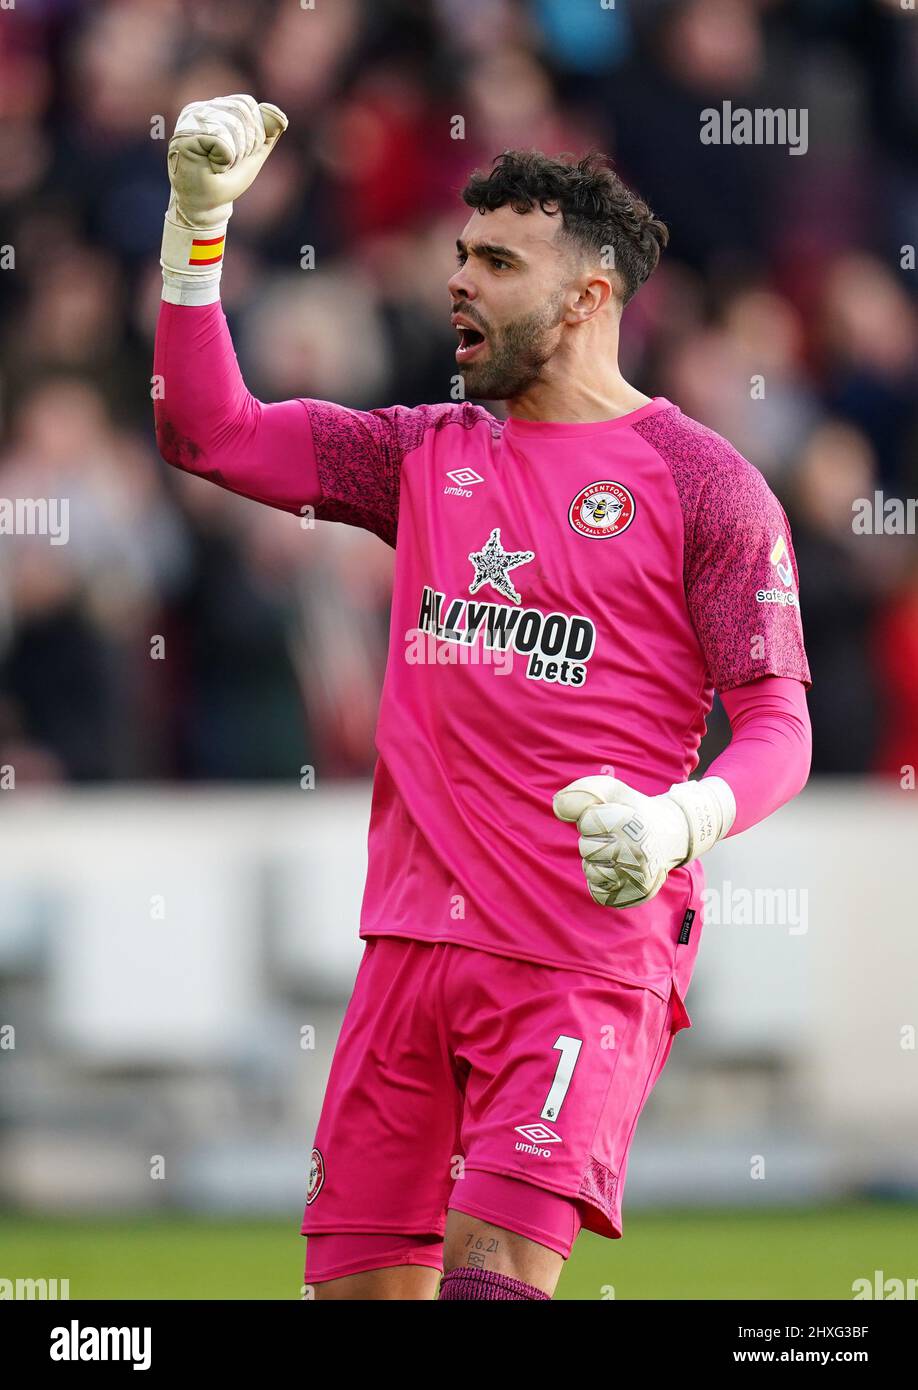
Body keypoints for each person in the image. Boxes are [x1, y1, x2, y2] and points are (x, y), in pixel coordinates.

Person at [153, 96, 812, 1301]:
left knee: (493, 1276)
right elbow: (211, 433)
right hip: (407, 943)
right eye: (460, 255)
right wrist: (199, 230)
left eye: (499, 262)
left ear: (588, 296)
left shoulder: (705, 486)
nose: (459, 281)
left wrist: (680, 822)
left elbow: (780, 726)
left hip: (578, 955)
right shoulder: (421, 452)